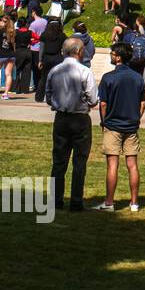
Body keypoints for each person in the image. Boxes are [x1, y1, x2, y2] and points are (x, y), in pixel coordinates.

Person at [44, 37, 98, 211]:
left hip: (61, 118)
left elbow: (48, 95)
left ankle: (56, 200)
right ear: (79, 52)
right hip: (80, 118)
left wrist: (58, 103)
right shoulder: (85, 71)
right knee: (79, 162)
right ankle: (76, 200)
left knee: (59, 161)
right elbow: (93, 98)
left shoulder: (55, 71)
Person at [96, 43, 145, 212]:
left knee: (112, 165)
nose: (111, 56)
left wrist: (104, 121)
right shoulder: (138, 77)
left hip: (113, 125)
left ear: (118, 56)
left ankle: (109, 202)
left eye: (112, 54)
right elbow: (142, 102)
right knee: (132, 165)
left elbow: (103, 103)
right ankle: (134, 203)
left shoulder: (108, 77)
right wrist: (136, 117)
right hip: (131, 126)